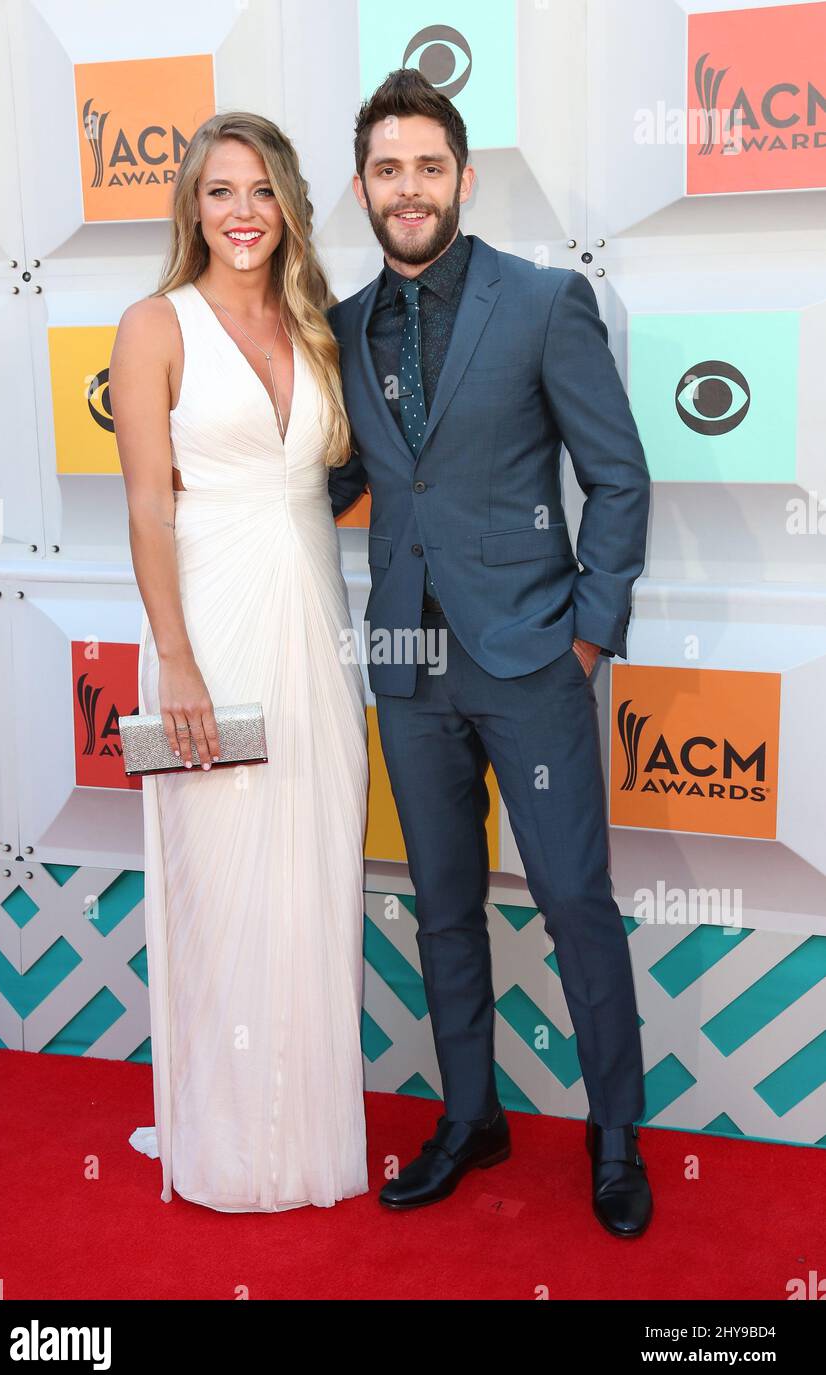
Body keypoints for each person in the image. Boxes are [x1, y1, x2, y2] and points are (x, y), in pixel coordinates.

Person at [327, 70, 653, 1237]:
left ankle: (615, 1135)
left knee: (573, 901)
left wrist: (586, 635)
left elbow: (615, 476)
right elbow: (353, 480)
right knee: (442, 906)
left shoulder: (543, 302)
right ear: (359, 187)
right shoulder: (343, 329)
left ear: (461, 178)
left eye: (425, 167)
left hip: (530, 661)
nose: (405, 189)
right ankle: (471, 1115)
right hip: (409, 662)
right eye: (384, 169)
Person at [110, 111, 369, 1212]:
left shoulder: (320, 329)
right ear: (192, 209)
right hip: (203, 636)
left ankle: (302, 1131)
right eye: (220, 191)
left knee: (312, 884)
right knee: (218, 890)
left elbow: (341, 482)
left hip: (311, 629)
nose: (243, 213)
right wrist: (173, 658)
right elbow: (144, 507)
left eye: (261, 191)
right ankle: (219, 1135)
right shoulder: (151, 324)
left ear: (289, 208)